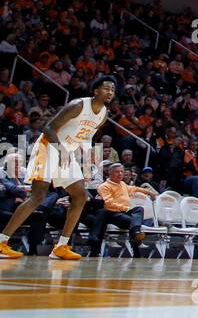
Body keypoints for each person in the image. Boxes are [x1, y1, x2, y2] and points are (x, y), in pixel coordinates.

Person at [1, 75, 117, 261]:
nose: (110, 92)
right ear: (96, 90)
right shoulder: (78, 105)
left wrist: (87, 158)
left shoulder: (103, 114)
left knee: (80, 195)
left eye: (112, 89)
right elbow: (48, 128)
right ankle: (2, 242)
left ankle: (61, 246)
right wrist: (61, 148)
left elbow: (86, 137)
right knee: (38, 196)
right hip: (48, 147)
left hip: (67, 152)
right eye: (106, 88)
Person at [89, 162, 146, 257]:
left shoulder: (122, 185)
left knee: (138, 211)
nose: (119, 174)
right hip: (107, 212)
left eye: (121, 172)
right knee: (131, 221)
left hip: (119, 213)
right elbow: (97, 201)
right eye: (116, 172)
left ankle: (136, 233)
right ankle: (136, 250)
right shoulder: (99, 184)